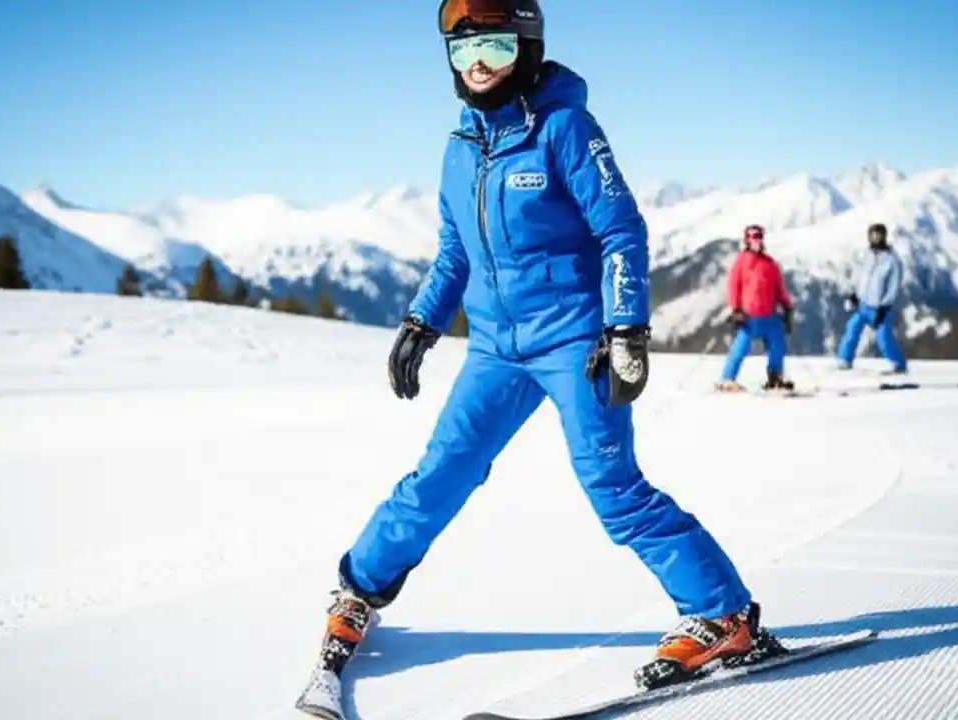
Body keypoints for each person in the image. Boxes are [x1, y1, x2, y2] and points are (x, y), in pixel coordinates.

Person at [297, 2, 763, 714]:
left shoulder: (565, 128)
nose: (479, 63)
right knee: (441, 473)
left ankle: (721, 612)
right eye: (463, 50)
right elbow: (455, 252)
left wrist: (625, 327)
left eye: (494, 45)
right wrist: (423, 319)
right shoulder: (460, 147)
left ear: (527, 47)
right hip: (494, 349)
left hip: (576, 342)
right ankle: (359, 588)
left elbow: (621, 230)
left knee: (612, 486)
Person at [716, 225, 795, 393]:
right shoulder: (741, 261)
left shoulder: (770, 264)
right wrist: (736, 309)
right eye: (753, 237)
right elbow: (734, 286)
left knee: (777, 344)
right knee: (741, 347)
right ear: (747, 240)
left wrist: (787, 306)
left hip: (769, 315)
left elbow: (779, 288)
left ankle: (775, 377)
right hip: (749, 316)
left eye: (759, 236)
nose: (756, 240)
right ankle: (728, 378)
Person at [836, 223, 908, 374]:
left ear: (884, 237)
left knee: (884, 339)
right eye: (873, 236)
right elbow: (860, 278)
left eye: (878, 236)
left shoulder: (892, 260)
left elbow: (893, 286)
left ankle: (899, 364)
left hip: (879, 308)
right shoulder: (866, 256)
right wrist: (854, 295)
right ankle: (844, 360)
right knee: (852, 329)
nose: (875, 239)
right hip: (863, 304)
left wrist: (884, 305)